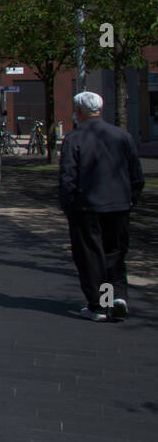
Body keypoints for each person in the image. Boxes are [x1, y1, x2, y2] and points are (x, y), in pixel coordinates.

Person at [58, 92, 144, 321]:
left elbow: (68, 177)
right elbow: (136, 173)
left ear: (78, 111)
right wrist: (131, 197)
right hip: (118, 206)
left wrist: (67, 205)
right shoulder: (122, 136)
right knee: (114, 252)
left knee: (91, 256)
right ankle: (117, 297)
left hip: (87, 208)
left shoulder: (74, 139)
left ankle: (99, 305)